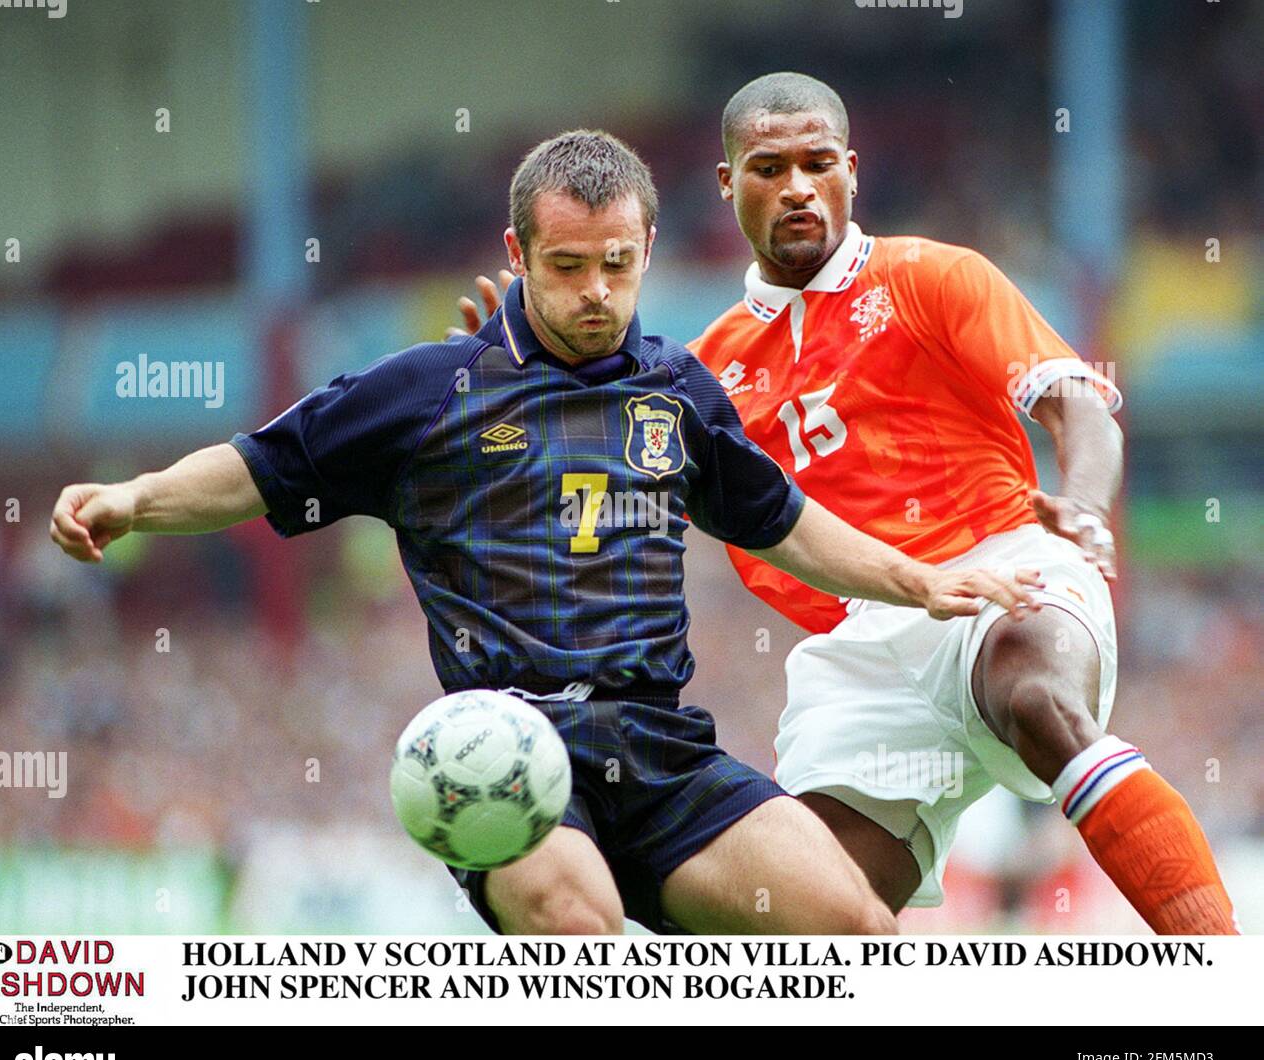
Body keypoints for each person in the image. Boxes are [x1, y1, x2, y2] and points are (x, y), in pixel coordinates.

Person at [52, 130, 1039, 936]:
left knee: (855, 934)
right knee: (578, 929)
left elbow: (781, 523)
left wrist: (915, 581)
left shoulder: (680, 395)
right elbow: (261, 466)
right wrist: (132, 499)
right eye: (567, 267)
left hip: (663, 756)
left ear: (649, 248)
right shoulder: (427, 392)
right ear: (518, 255)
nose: (597, 291)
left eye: (617, 264)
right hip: (507, 752)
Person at [453, 86, 1239, 936]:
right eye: (770, 167)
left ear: (850, 172)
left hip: (1004, 566)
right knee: (805, 923)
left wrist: (1083, 503)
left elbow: (1080, 404)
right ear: (727, 183)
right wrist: (524, 386)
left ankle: (1224, 972)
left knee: (1035, 691)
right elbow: (591, 492)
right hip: (865, 646)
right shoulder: (701, 372)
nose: (798, 186)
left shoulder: (931, 276)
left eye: (818, 163)